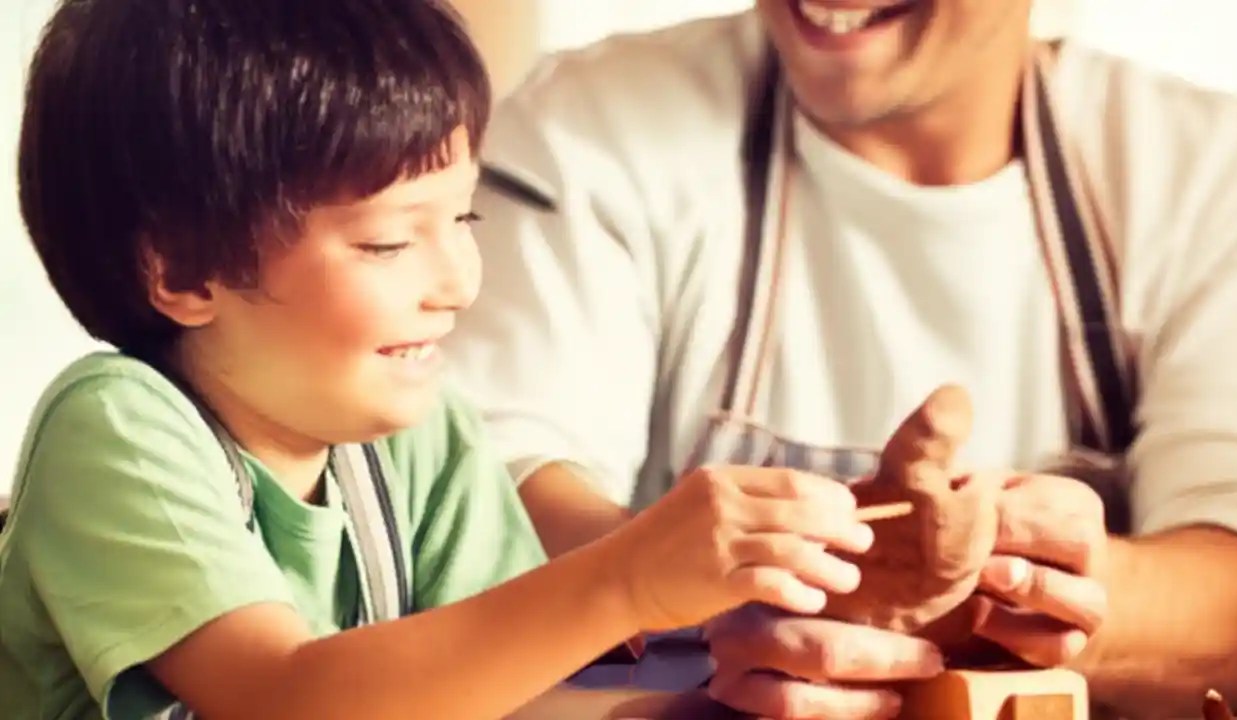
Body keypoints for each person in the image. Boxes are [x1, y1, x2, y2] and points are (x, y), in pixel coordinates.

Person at [0, 1, 886, 718]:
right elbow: (282, 699)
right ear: (184, 272)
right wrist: (624, 576)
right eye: (389, 243)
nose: (460, 283)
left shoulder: (420, 434)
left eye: (463, 219)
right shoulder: (118, 428)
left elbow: (506, 698)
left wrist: (728, 709)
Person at [442, 1, 1237, 717]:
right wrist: (696, 584)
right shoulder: (591, 124)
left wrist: (979, 586)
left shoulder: (1222, 177)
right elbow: (482, 495)